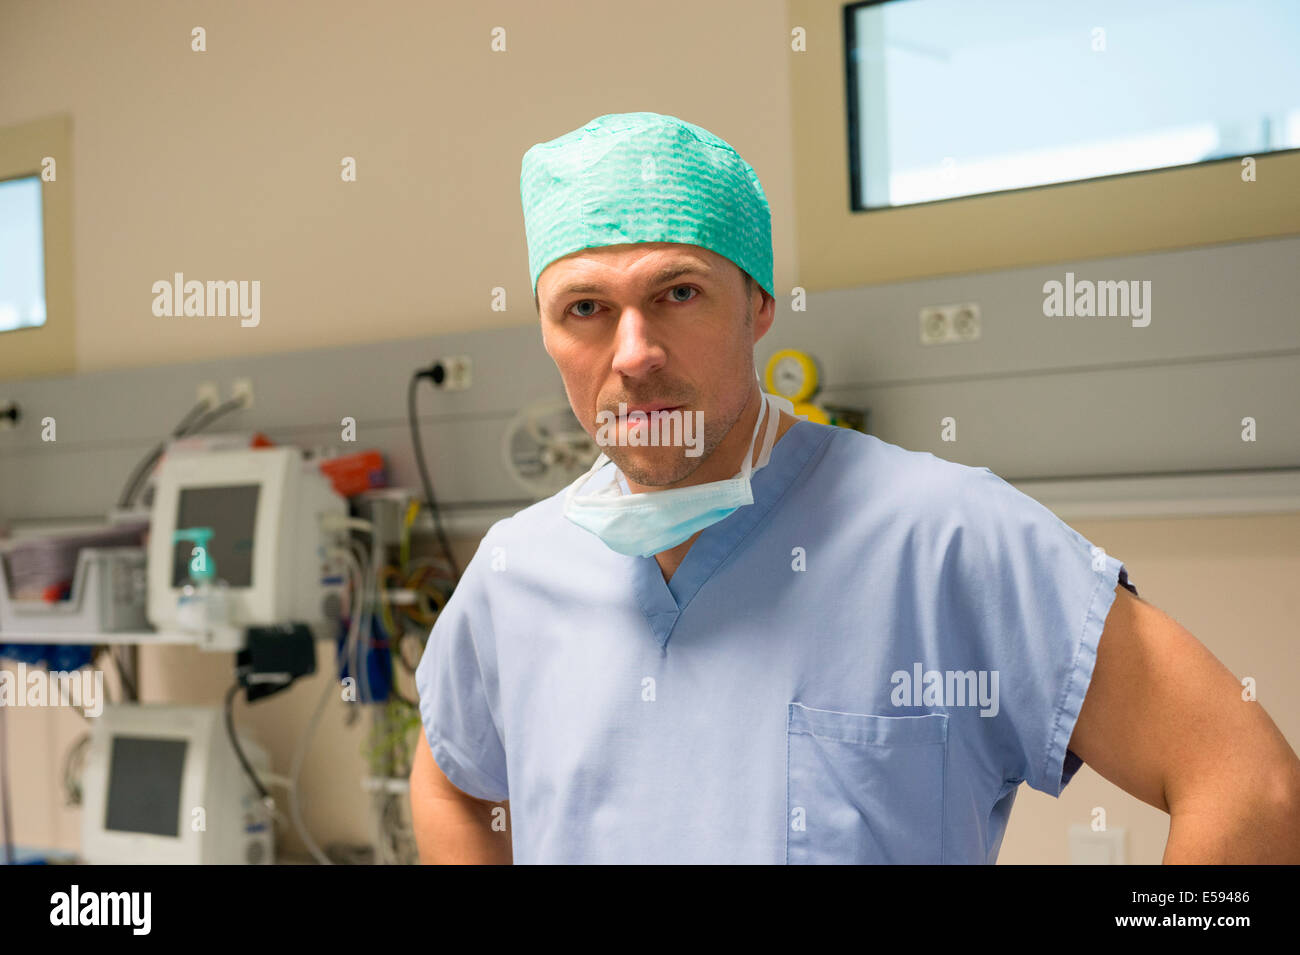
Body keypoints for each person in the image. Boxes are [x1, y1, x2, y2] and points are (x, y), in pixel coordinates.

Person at [409, 111, 1300, 864]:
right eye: (585, 308)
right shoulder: (514, 575)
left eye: (677, 293)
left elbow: (1250, 786)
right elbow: (454, 779)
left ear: (757, 305)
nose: (633, 352)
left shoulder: (945, 537)